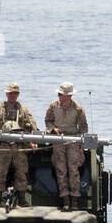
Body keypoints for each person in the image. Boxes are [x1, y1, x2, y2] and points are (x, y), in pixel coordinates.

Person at [0, 81, 38, 205]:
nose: (12, 96)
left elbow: (33, 126)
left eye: (15, 93)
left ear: (18, 95)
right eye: (10, 93)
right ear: (6, 94)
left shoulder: (23, 110)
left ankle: (21, 199)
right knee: (0, 172)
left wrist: (34, 141)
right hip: (3, 145)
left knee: (22, 172)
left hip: (19, 145)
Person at [44, 81, 88, 211]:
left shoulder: (78, 109)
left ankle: (75, 198)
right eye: (59, 94)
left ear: (69, 96)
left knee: (73, 170)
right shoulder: (53, 106)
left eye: (62, 94)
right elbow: (48, 120)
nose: (60, 96)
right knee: (61, 170)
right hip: (58, 140)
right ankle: (65, 198)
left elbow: (84, 127)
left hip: (73, 140)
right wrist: (53, 129)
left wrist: (80, 143)